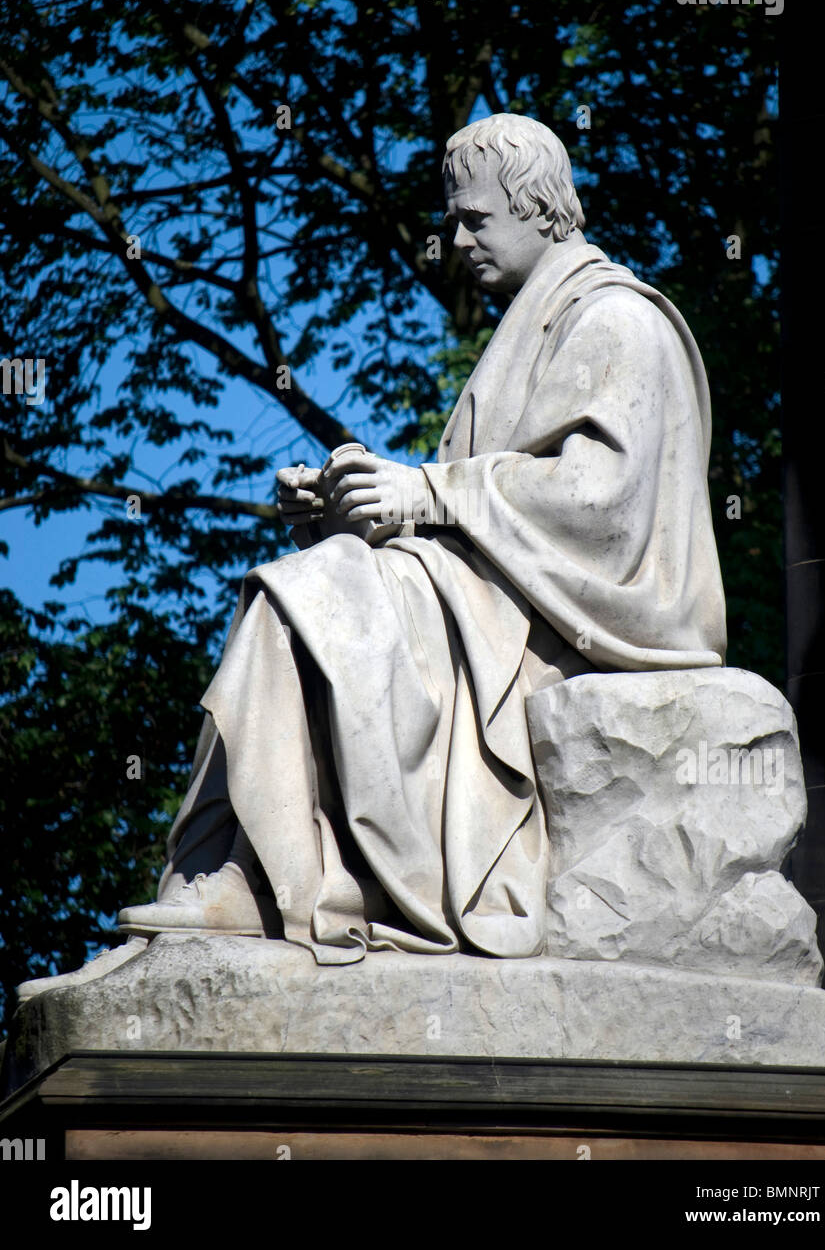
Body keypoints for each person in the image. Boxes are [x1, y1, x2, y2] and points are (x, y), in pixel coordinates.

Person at [116, 113, 727, 964]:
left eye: (476, 219)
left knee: (313, 596)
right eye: (452, 219)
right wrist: (348, 504)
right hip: (499, 600)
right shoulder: (530, 325)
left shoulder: (617, 319)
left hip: (580, 621)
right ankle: (248, 867)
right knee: (301, 585)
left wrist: (425, 490)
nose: (457, 238)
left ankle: (278, 878)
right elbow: (468, 514)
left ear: (543, 208)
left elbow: (603, 505)